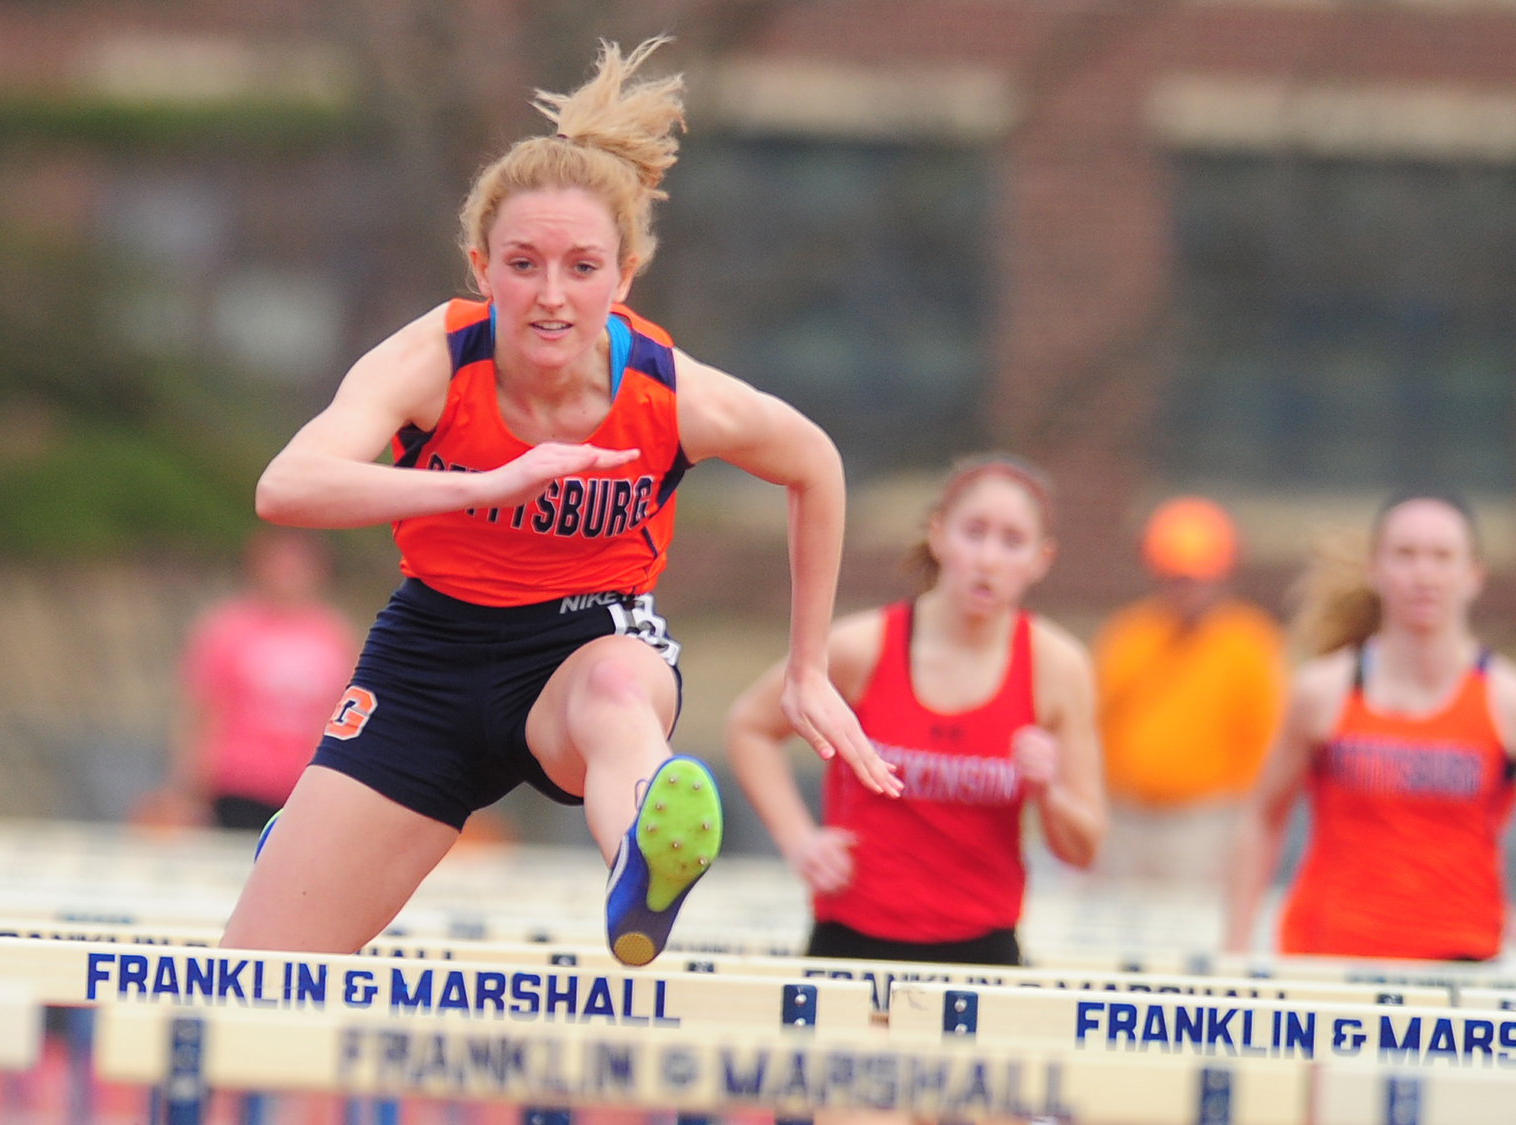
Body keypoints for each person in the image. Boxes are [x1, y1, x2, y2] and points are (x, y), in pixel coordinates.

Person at [220, 38, 899, 966]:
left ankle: (643, 862)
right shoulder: (435, 360)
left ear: (623, 279)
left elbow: (814, 462)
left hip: (584, 646)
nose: (550, 296)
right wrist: (482, 484)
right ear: (480, 266)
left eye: (582, 268)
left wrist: (808, 666)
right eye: (523, 264)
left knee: (623, 692)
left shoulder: (670, 393)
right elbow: (286, 486)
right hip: (431, 658)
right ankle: (312, 844)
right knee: (253, 974)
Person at [726, 455, 1106, 966]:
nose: (988, 559)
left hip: (983, 949)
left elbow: (1083, 848)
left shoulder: (1057, 668)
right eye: (974, 532)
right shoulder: (864, 648)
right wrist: (799, 842)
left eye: (1012, 541)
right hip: (853, 937)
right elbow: (749, 725)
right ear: (938, 535)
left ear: (1040, 559)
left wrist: (1050, 791)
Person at [1225, 491, 1516, 960]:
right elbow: (1262, 818)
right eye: (1405, 555)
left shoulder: (1504, 700)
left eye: (1442, 557)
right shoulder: (1324, 692)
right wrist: (1233, 952)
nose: (1423, 575)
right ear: (1374, 569)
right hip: (1328, 962)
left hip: (1459, 967)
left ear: (1473, 574)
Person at [1092, 497, 1282, 885]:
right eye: (1176, 578)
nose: (1186, 590)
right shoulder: (1129, 635)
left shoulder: (1247, 643)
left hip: (1205, 826)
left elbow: (1266, 743)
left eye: (1196, 579)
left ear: (1221, 576)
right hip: (1125, 820)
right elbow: (1098, 723)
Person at [141, 528, 357, 832]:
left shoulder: (333, 635)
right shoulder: (229, 630)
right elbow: (202, 710)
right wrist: (186, 786)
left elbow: (343, 715)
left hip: (304, 782)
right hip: (240, 781)